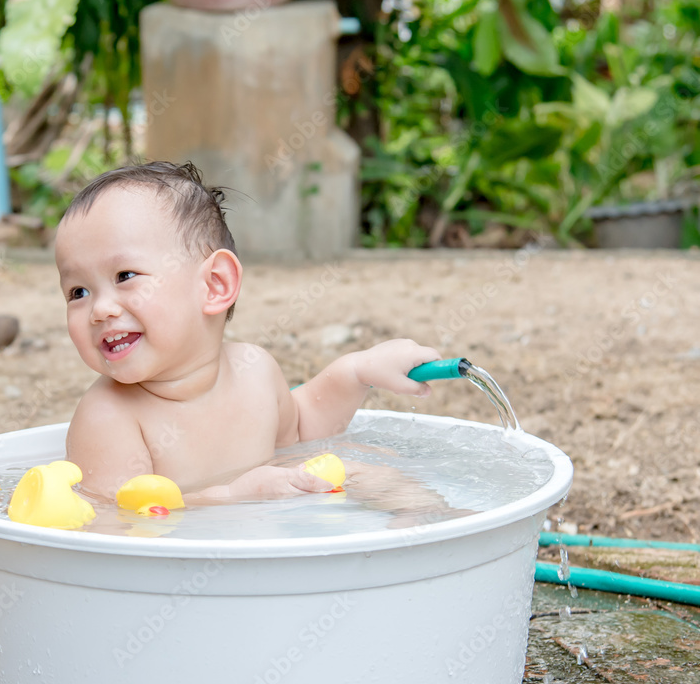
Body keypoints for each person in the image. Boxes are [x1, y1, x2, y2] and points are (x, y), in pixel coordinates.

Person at [54, 161, 442, 505]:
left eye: (125, 276)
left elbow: (301, 433)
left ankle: (431, 531)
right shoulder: (108, 417)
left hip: (270, 542)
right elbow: (114, 523)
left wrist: (357, 372)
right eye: (78, 292)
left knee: (374, 474)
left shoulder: (253, 369)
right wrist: (231, 496)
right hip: (185, 561)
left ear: (215, 285)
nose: (99, 310)